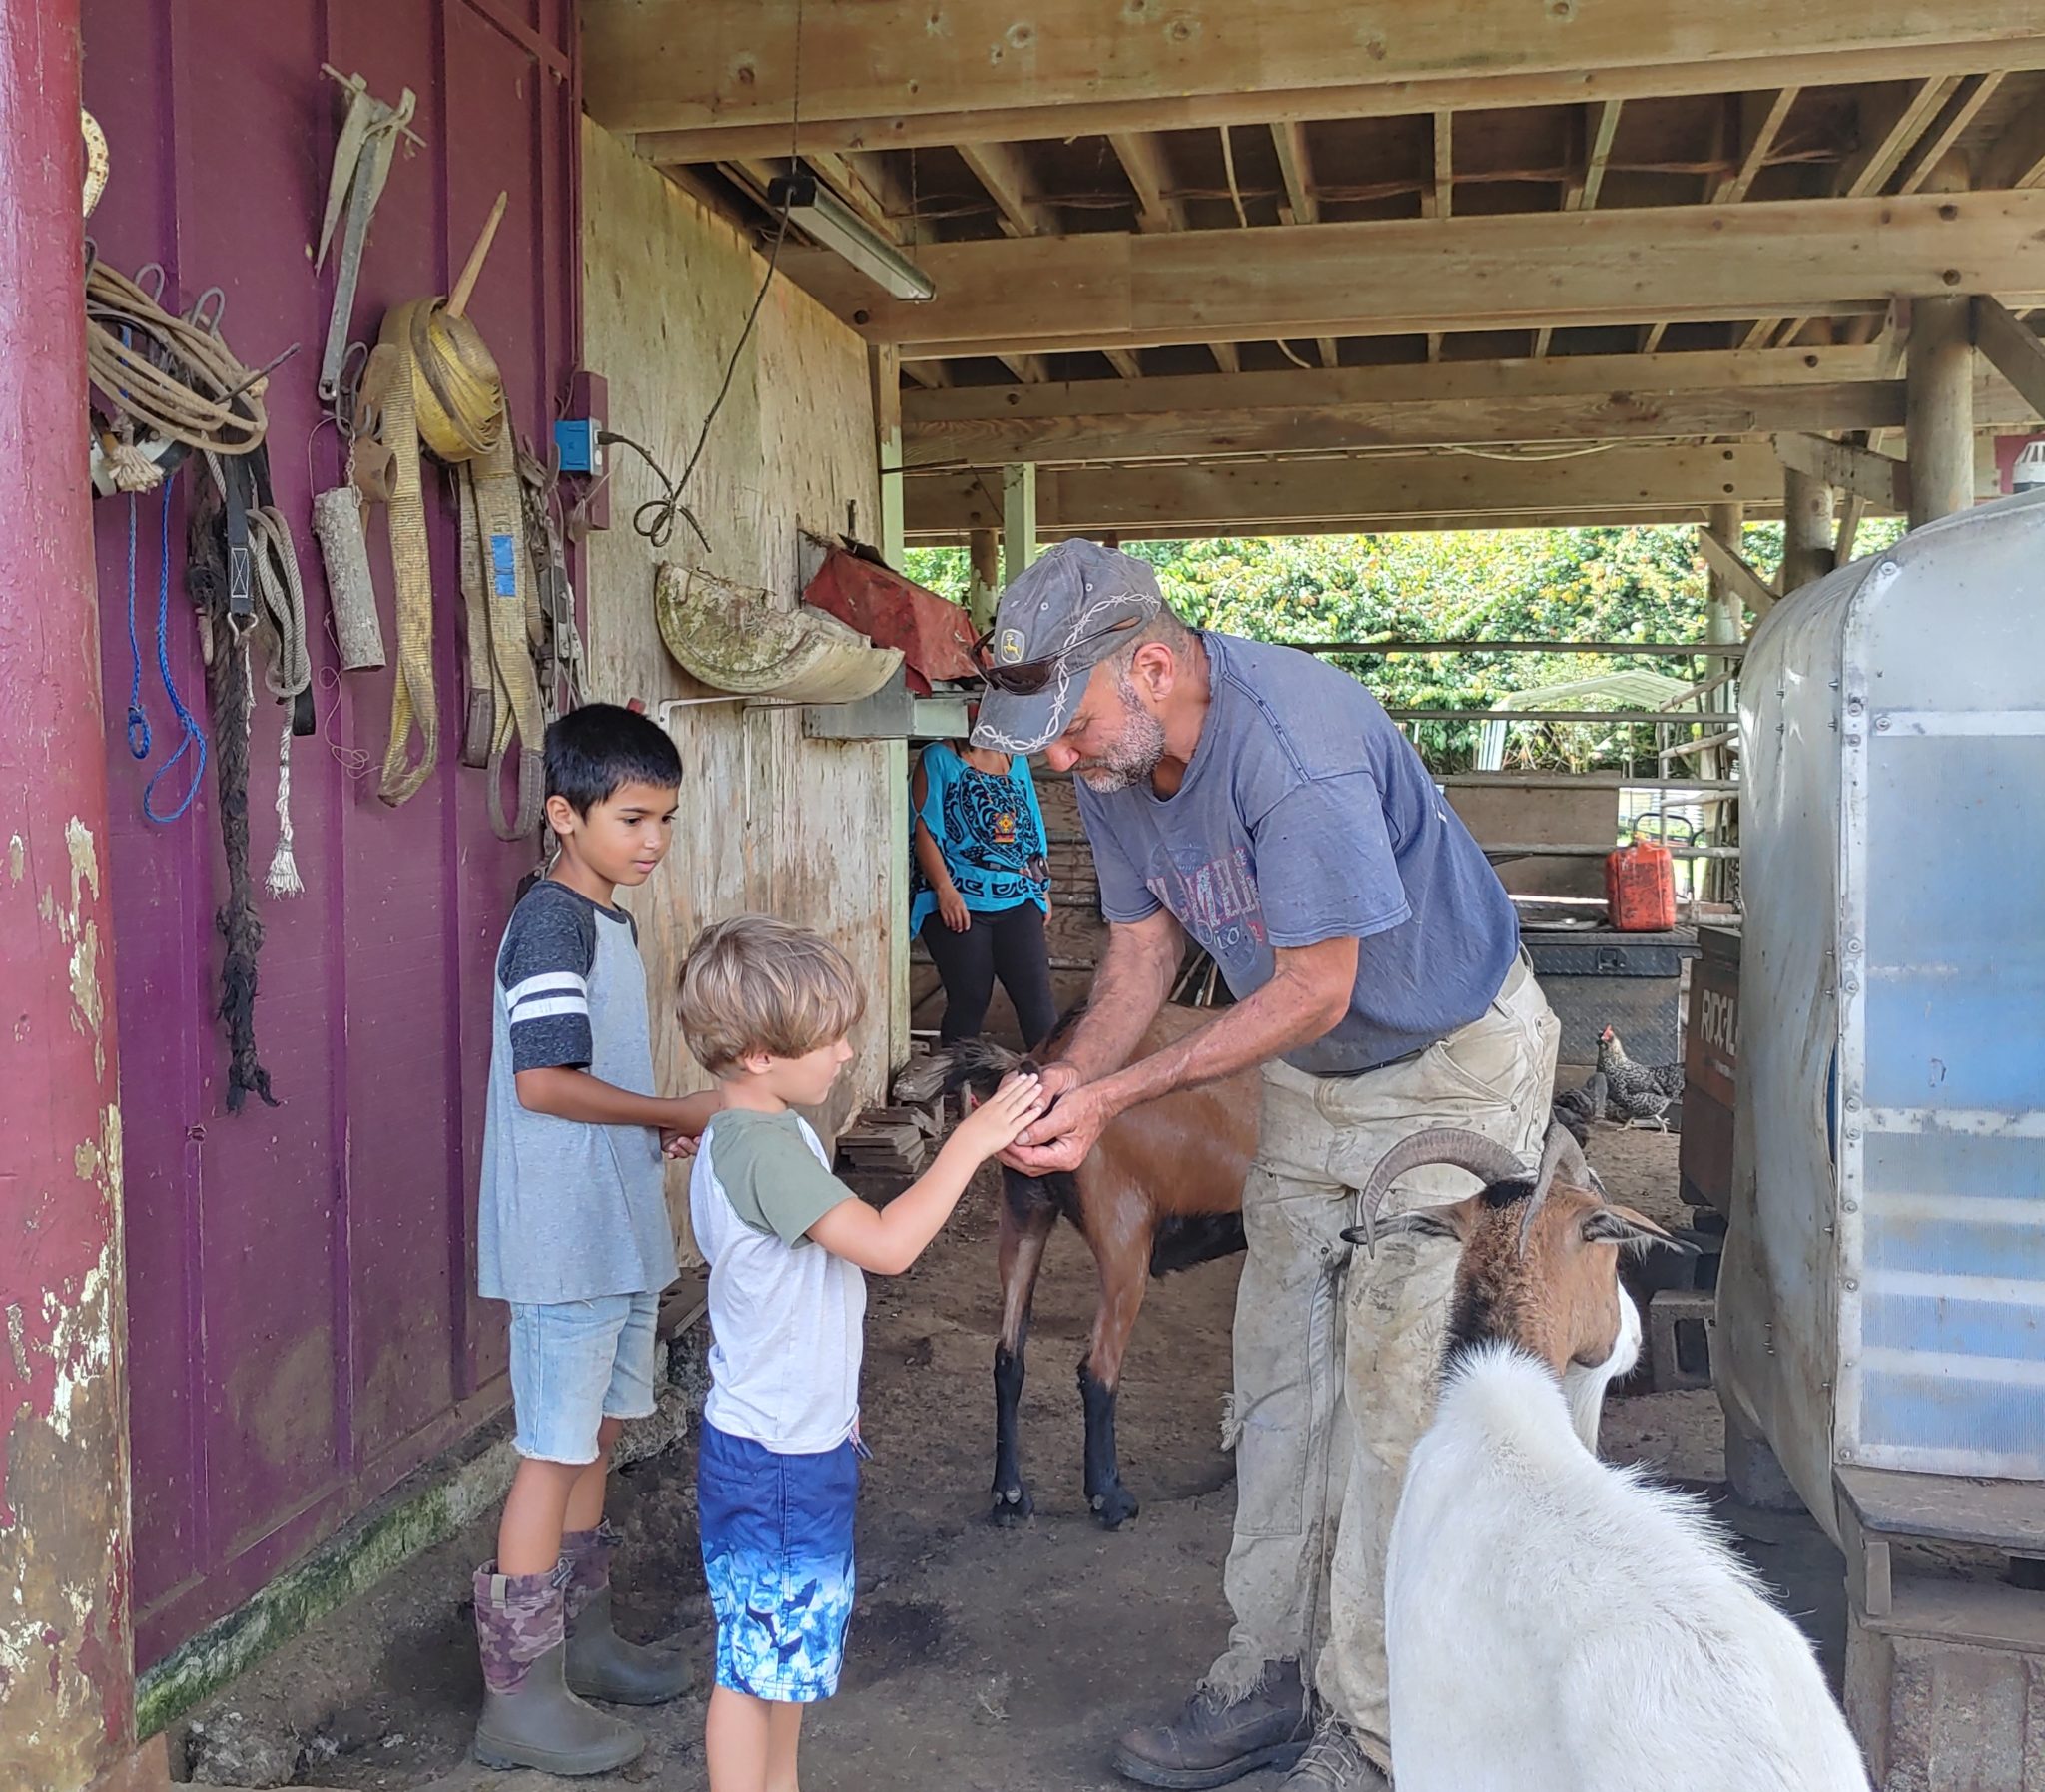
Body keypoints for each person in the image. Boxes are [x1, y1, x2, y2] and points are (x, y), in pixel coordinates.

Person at [972, 541, 1560, 1792]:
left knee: (1398, 1398)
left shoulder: (1293, 752)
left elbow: (1314, 982)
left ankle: (1378, 1731)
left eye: (1069, 730)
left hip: (1448, 1057)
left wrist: (1127, 1092)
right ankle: (1270, 1667)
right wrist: (1077, 1079)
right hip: (1316, 1076)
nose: (1060, 762)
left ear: (1148, 665)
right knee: (1280, 1374)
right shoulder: (1116, 759)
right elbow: (1139, 952)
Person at [677, 914, 1046, 1792]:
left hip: (790, 1441)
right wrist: (970, 1142)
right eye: (829, 1037)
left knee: (780, 1649)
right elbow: (884, 1245)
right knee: (750, 1663)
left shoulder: (754, 1128)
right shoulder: (766, 1148)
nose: (847, 1052)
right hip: (777, 1458)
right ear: (762, 1052)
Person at [470, 702, 725, 1777]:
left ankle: (585, 1638)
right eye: (632, 817)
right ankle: (518, 1697)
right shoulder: (551, 921)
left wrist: (650, 1129)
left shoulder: (609, 918)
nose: (653, 839)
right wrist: (674, 1111)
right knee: (551, 1450)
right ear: (564, 816)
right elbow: (544, 1082)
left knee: (603, 1435)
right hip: (562, 1236)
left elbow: (588, 1078)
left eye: (664, 816)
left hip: (612, 1223)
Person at [910, 732, 1058, 1048]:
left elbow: (1031, 825)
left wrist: (1040, 885)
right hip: (960, 901)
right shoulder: (938, 757)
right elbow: (924, 826)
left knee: (1037, 1000)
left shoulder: (1015, 759)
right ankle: (955, 1089)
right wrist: (944, 888)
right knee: (970, 998)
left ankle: (1054, 1087)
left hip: (1018, 897)